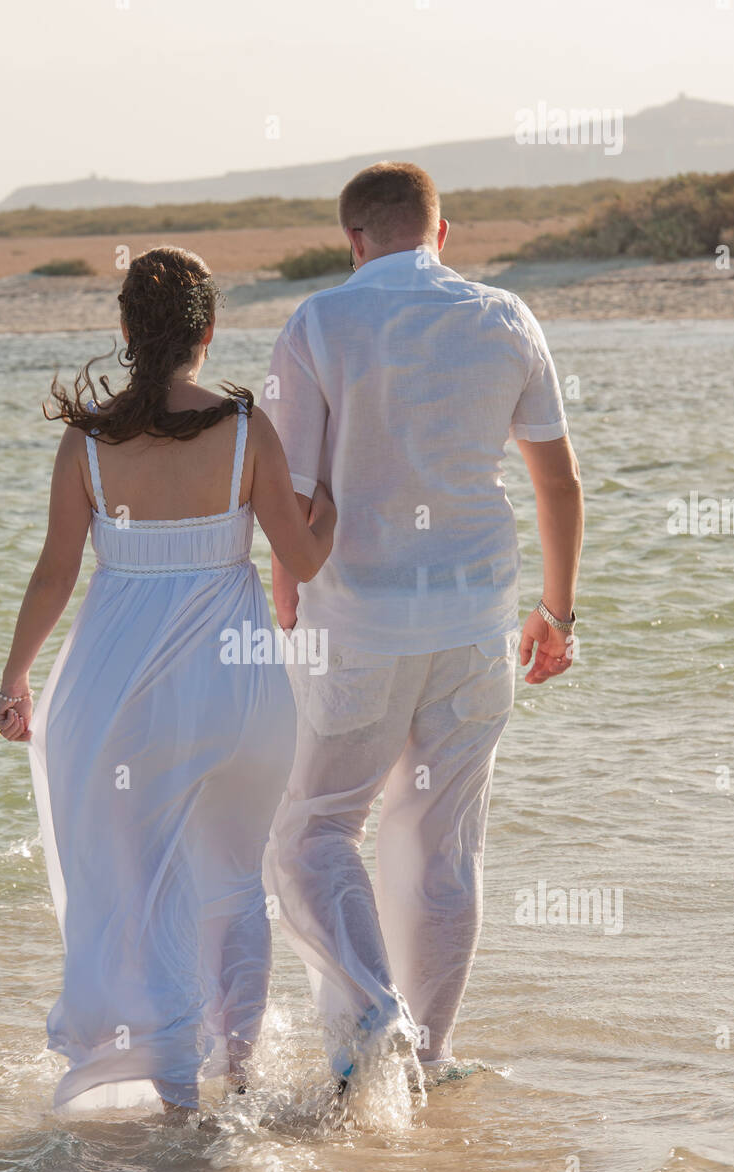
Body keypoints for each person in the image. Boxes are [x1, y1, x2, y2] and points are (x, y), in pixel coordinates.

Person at [0, 247, 335, 1119]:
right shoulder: (246, 429)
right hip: (239, 697)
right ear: (207, 333)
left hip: (121, 704)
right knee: (232, 880)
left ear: (125, 333)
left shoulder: (89, 441)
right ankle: (243, 1073)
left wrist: (16, 677)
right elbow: (302, 559)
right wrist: (327, 504)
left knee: (139, 888)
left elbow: (53, 573)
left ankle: (173, 1085)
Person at [263, 162, 584, 1086]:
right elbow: (557, 482)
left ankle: (372, 1012)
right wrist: (557, 614)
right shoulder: (505, 317)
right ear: (442, 233)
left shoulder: (319, 321)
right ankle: (430, 1057)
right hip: (477, 618)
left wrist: (286, 590)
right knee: (439, 844)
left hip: (357, 619)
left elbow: (295, 492)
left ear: (353, 241)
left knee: (313, 832)